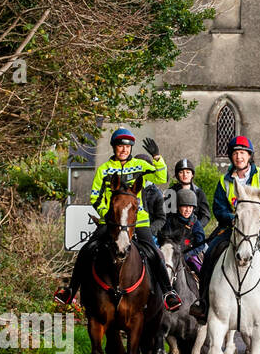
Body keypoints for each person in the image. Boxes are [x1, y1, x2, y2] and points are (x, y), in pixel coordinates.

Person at [55, 129, 180, 312]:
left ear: (131, 149)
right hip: (110, 222)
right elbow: (95, 196)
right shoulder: (104, 170)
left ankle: (168, 293)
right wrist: (109, 214)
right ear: (114, 148)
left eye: (127, 147)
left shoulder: (140, 166)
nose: (124, 150)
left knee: (155, 253)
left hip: (139, 222)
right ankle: (71, 291)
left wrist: (157, 157)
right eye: (120, 146)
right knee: (87, 249)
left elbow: (162, 177)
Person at [189, 135, 260, 327]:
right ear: (231, 157)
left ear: (249, 156)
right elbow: (218, 209)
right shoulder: (224, 181)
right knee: (210, 254)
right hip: (234, 229)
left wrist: (259, 223)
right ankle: (203, 302)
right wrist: (234, 219)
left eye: (242, 153)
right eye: (235, 153)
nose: (239, 157)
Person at [159, 190, 206, 276]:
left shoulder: (195, 223)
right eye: (185, 207)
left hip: (189, 253)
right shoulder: (170, 221)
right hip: (173, 253)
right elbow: (166, 239)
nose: (188, 210)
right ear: (178, 207)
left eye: (191, 207)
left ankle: (203, 284)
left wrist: (189, 253)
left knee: (200, 269)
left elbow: (201, 244)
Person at [172, 159, 210, 225]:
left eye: (188, 172)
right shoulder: (171, 192)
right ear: (177, 175)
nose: (185, 175)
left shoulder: (199, 193)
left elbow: (205, 215)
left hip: (193, 228)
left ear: (192, 174)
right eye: (181, 172)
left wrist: (197, 227)